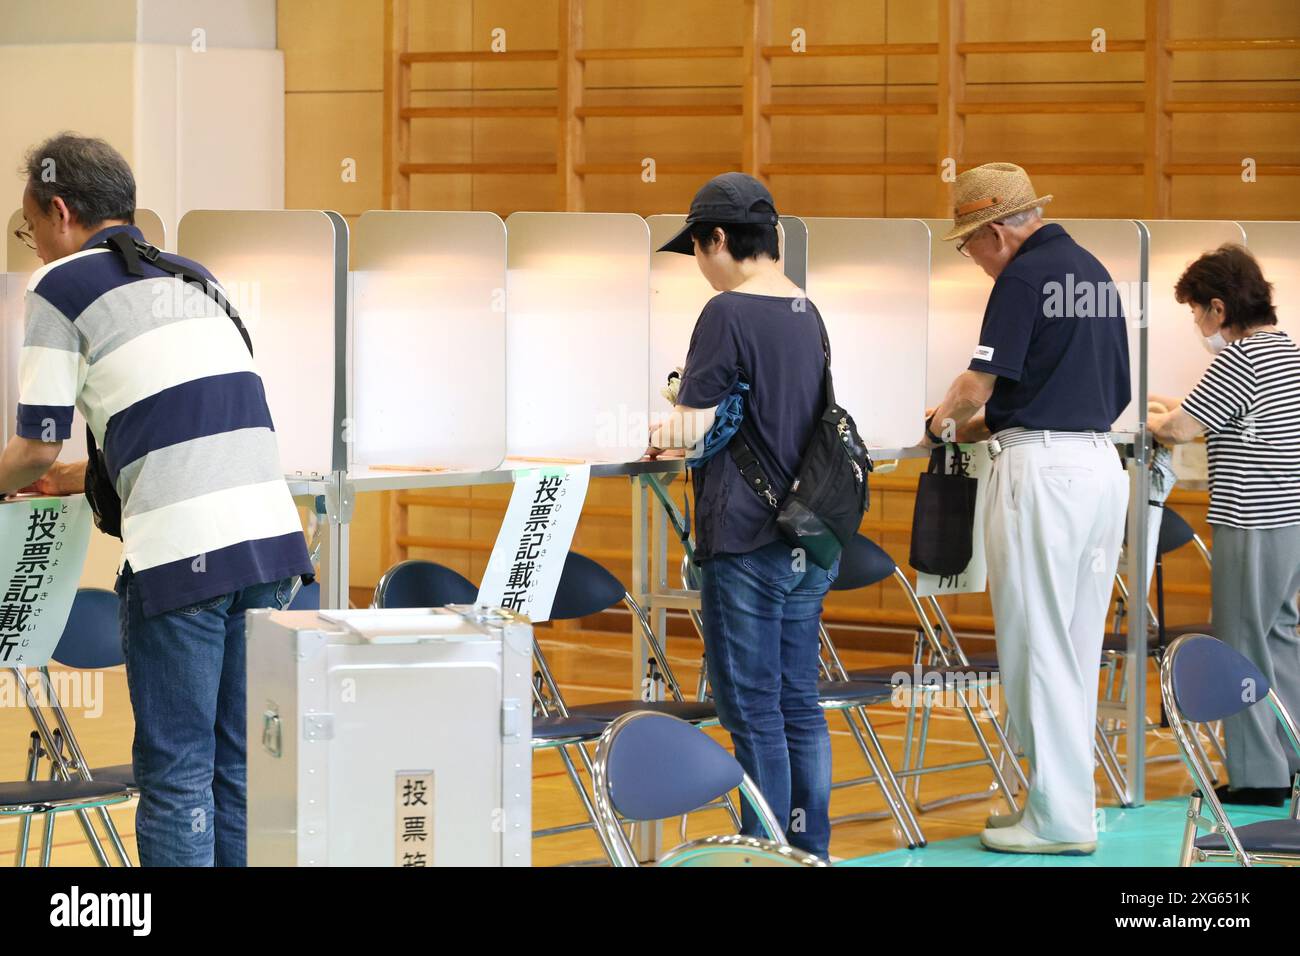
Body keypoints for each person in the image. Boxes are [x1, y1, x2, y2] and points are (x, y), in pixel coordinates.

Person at [4, 133, 313, 866]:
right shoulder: (192, 276)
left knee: (176, 779)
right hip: (271, 547)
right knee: (235, 770)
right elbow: (186, 426)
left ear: (58, 211)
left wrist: (33, 471)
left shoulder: (61, 287)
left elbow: (36, 445)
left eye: (29, 230)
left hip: (183, 559)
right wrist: (76, 477)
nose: (35, 247)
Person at [923, 163, 1130, 855]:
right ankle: (1066, 805)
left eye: (968, 244)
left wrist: (941, 422)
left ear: (994, 230)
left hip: (1043, 474)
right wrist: (987, 421)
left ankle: (1060, 819)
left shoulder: (1020, 278)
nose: (972, 259)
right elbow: (1078, 390)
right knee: (1072, 647)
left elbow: (979, 385)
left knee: (1036, 645)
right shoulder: (1092, 272)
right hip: (1101, 468)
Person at [647, 173, 837, 858]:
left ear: (719, 239)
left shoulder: (727, 314)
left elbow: (691, 432)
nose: (699, 266)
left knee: (753, 709)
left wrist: (662, 422)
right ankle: (808, 849)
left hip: (747, 534)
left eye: (697, 249)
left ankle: (764, 852)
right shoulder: (804, 310)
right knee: (796, 702)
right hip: (809, 535)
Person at [1148, 244, 1300, 806]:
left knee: (1239, 641)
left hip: (1250, 518)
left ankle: (1258, 774)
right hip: (1289, 519)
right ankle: (1289, 755)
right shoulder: (1285, 350)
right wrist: (1172, 410)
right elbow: (1219, 414)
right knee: (1278, 636)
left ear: (1218, 308)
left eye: (1195, 312)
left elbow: (1183, 430)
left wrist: (1153, 418)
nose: (1197, 324)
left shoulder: (1239, 358)